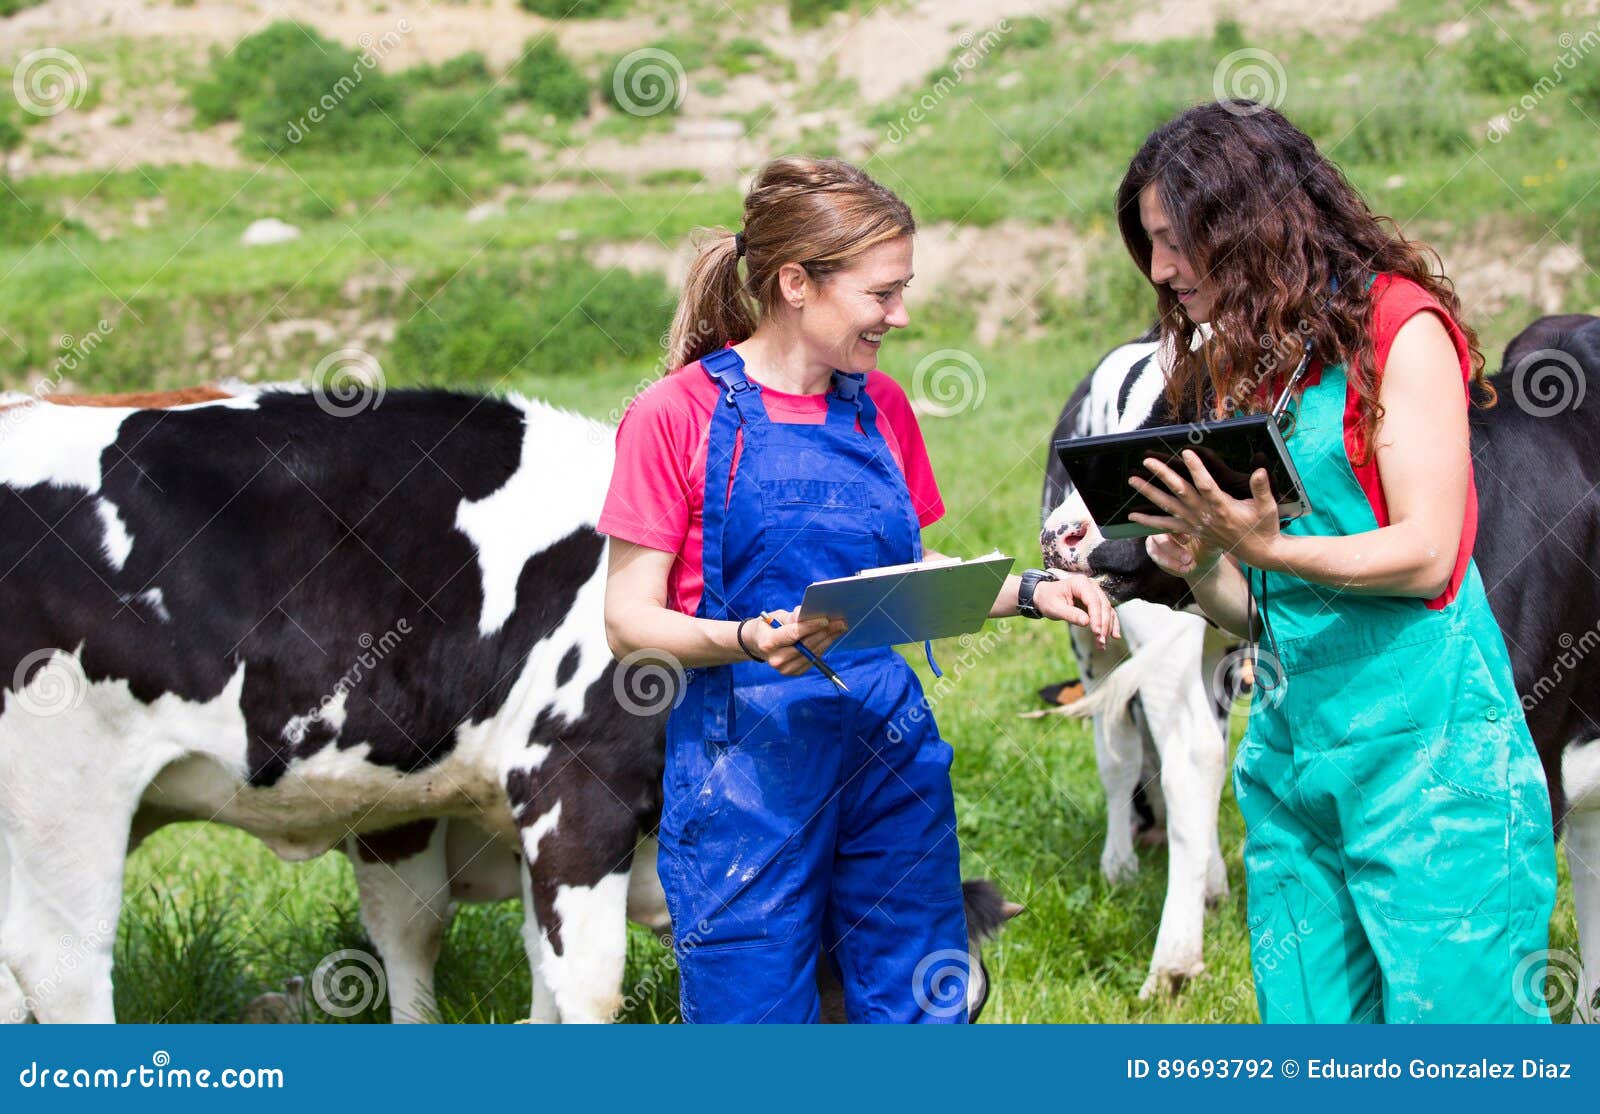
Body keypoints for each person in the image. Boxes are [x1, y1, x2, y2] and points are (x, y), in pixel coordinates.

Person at [598, 156, 1118, 1023]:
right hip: (746, 768)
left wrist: (1030, 592)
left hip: (892, 751)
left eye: (904, 288)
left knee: (917, 1000)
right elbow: (626, 619)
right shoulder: (675, 416)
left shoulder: (883, 408)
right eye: (882, 294)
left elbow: (904, 580)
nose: (901, 315)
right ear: (797, 283)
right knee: (753, 1019)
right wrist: (743, 641)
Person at [1118, 102, 1558, 1023]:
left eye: (1173, 241)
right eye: (1149, 245)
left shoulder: (1402, 328)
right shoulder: (1255, 359)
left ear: (1244, 223)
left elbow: (1429, 551)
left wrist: (1266, 543)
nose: (1159, 270)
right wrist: (1202, 564)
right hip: (1293, 758)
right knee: (1311, 1033)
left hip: (1432, 762)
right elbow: (1267, 607)